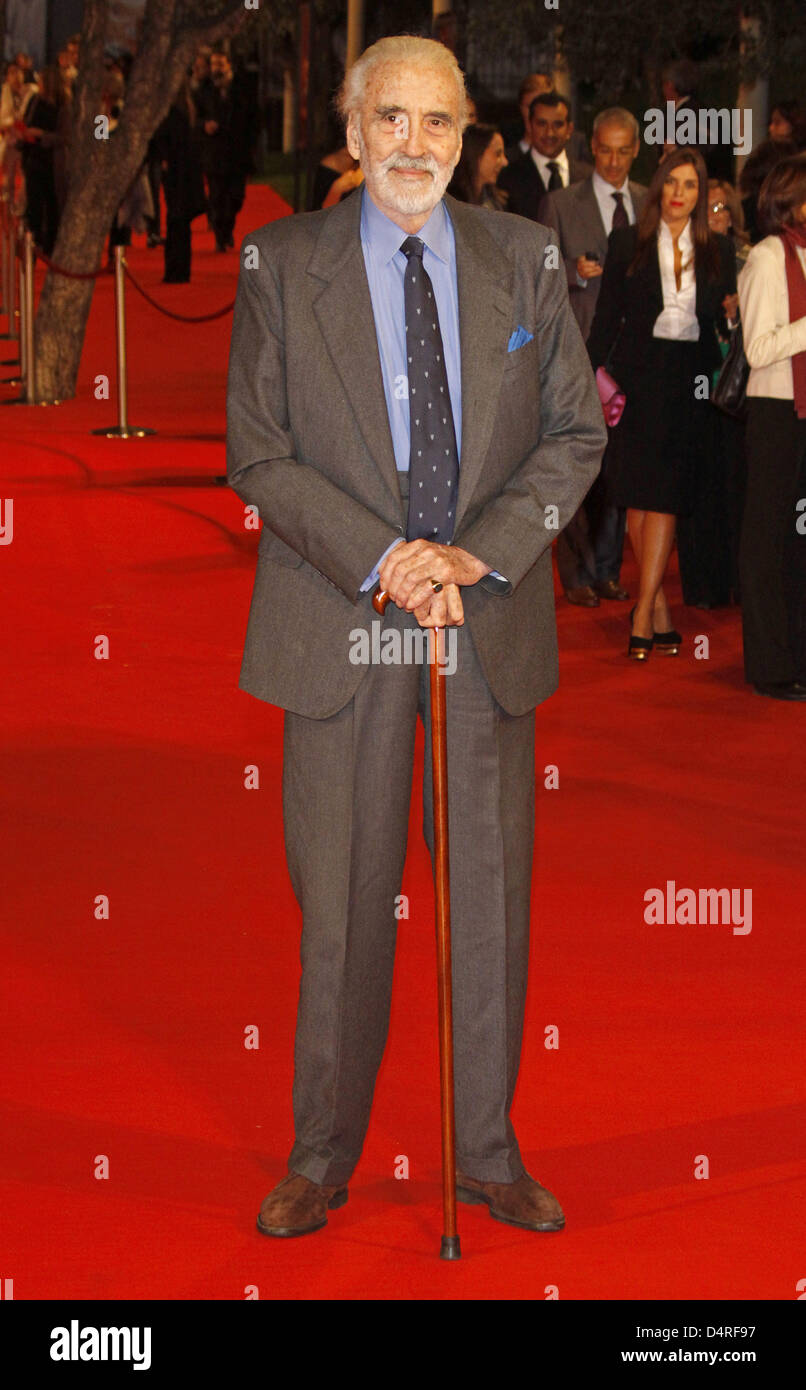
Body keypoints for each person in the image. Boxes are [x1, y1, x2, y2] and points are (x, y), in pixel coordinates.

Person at [226, 34, 606, 1237]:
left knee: (488, 906)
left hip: (481, 617)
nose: (412, 144)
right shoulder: (281, 265)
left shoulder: (524, 259)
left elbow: (573, 435)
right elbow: (258, 452)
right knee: (341, 906)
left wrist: (475, 549)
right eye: (389, 118)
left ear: (464, 139)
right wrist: (383, 555)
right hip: (341, 626)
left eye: (435, 123)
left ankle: (487, 1151)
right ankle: (320, 1155)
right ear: (351, 131)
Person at [587, 148, 736, 659]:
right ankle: (658, 613)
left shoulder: (718, 250)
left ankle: (642, 616)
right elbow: (605, 321)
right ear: (658, 188)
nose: (679, 193)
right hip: (637, 379)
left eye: (690, 185)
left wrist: (733, 318)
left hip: (688, 382)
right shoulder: (628, 241)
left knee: (666, 496)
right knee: (637, 492)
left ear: (700, 195)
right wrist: (588, 379)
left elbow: (723, 328)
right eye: (672, 182)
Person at [542, 107, 647, 606]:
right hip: (577, 352)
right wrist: (575, 272)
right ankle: (578, 574)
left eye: (622, 151)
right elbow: (538, 272)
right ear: (592, 149)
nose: (612, 160)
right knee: (577, 465)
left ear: (635, 151)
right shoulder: (561, 204)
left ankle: (608, 568)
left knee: (620, 469)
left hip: (632, 357)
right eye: (604, 149)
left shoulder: (650, 202)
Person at [737, 153, 806, 700]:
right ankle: (770, 664)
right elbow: (759, 349)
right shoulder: (766, 257)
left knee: (799, 541)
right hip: (776, 411)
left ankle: (798, 652)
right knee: (768, 538)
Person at [676, 179, 751, 610]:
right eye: (712, 207)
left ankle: (735, 580)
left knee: (735, 483)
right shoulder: (690, 255)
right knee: (700, 484)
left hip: (740, 390)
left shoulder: (749, 257)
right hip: (695, 380)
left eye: (725, 207)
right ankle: (704, 585)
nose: (719, 214)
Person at [499, 90, 592, 223]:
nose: (549, 133)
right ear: (529, 127)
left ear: (569, 129)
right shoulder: (507, 178)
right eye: (542, 124)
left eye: (557, 125)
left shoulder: (589, 178)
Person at [195, 49, 256, 252]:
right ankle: (220, 235)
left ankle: (227, 227)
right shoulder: (204, 90)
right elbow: (195, 117)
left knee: (236, 197)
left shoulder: (242, 88)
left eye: (220, 64)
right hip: (214, 153)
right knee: (217, 196)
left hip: (237, 153)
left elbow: (252, 119)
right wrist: (204, 125)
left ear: (229, 65)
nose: (216, 69)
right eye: (214, 64)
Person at [152, 78, 207, 283]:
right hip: (187, 174)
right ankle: (182, 269)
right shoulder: (188, 110)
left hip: (177, 174)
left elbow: (164, 141)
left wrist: (163, 158)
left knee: (175, 222)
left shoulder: (173, 115)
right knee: (182, 225)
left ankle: (175, 270)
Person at [17, 66, 63, 256]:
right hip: (35, 158)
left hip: (54, 162)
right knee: (34, 207)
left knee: (53, 206)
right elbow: (26, 122)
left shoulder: (64, 105)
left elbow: (66, 136)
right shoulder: (36, 102)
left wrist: (42, 135)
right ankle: (33, 247)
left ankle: (51, 247)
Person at [506, 71, 588, 165]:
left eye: (544, 105)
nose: (537, 113)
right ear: (520, 108)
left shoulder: (576, 145)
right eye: (530, 106)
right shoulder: (506, 148)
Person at [447, 122, 508, 208]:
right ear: (476, 154)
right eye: (497, 154)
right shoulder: (452, 203)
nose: (504, 162)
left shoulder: (496, 201)